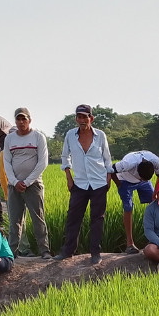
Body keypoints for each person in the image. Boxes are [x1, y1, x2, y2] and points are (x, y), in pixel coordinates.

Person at [54, 104, 114, 266]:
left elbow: (107, 158)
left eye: (84, 117)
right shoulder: (70, 135)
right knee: (73, 217)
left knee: (97, 218)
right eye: (79, 117)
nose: (81, 120)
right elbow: (65, 156)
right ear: (76, 119)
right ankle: (67, 251)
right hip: (79, 183)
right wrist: (68, 176)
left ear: (91, 118)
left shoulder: (100, 136)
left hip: (99, 182)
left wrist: (108, 177)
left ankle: (95, 252)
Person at [2, 107, 52, 259]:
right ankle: (12, 252)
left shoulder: (38, 137)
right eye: (18, 119)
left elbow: (43, 162)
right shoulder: (9, 139)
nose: (21, 122)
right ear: (15, 121)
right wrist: (15, 181)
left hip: (34, 184)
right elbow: (7, 162)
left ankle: (44, 250)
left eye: (24, 119)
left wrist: (28, 181)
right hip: (14, 186)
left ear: (30, 120)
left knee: (38, 218)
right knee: (14, 220)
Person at [114, 150, 159, 254]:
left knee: (156, 203)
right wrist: (118, 184)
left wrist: (155, 193)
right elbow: (110, 169)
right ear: (137, 171)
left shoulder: (155, 161)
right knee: (128, 207)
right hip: (124, 180)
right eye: (142, 178)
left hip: (143, 181)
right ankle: (130, 244)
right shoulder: (128, 164)